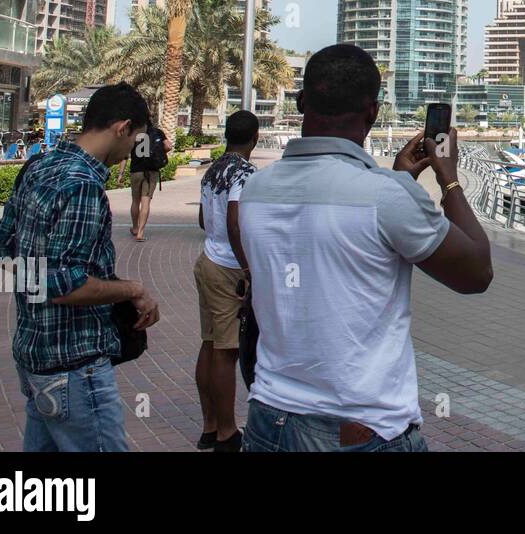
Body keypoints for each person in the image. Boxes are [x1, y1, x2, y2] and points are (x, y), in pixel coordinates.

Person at [237, 44, 493, 452]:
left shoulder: (255, 191)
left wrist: (397, 181)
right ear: (373, 113)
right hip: (359, 429)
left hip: (269, 419)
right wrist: (449, 178)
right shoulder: (385, 196)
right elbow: (477, 272)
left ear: (302, 102)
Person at [0, 83, 162, 452]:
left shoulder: (39, 166)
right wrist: (133, 290)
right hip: (75, 366)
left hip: (35, 355)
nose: (133, 151)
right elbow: (67, 286)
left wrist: (38, 279)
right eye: (136, 139)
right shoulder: (82, 186)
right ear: (122, 127)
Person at [193, 109, 259, 452]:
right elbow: (235, 223)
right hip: (228, 267)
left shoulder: (213, 170)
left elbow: (204, 220)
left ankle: (209, 426)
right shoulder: (245, 172)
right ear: (255, 137)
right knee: (227, 350)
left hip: (207, 260)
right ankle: (226, 433)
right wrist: (247, 268)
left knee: (209, 343)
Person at [129, 120, 169, 241]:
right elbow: (168, 146)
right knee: (145, 202)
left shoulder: (134, 133)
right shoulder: (157, 132)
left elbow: (126, 151)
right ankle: (140, 233)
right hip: (151, 171)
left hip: (136, 170)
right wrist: (158, 154)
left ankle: (135, 227)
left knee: (135, 201)